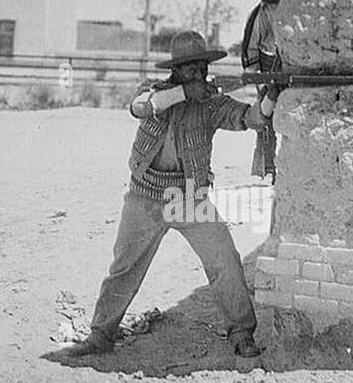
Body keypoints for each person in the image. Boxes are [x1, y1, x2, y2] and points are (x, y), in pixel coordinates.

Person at [64, 31, 279, 360]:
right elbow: (140, 108)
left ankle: (241, 332)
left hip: (190, 199)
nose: (199, 74)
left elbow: (251, 119)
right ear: (175, 71)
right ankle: (101, 334)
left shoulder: (210, 104)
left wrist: (271, 95)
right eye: (190, 68)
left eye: (201, 68)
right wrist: (183, 92)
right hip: (145, 196)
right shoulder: (155, 91)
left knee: (224, 261)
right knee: (125, 267)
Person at [241, 0, 283, 181]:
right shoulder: (258, 15)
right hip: (267, 70)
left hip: (287, 66)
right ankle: (268, 169)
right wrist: (260, 80)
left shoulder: (289, 8)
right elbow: (250, 48)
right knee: (266, 117)